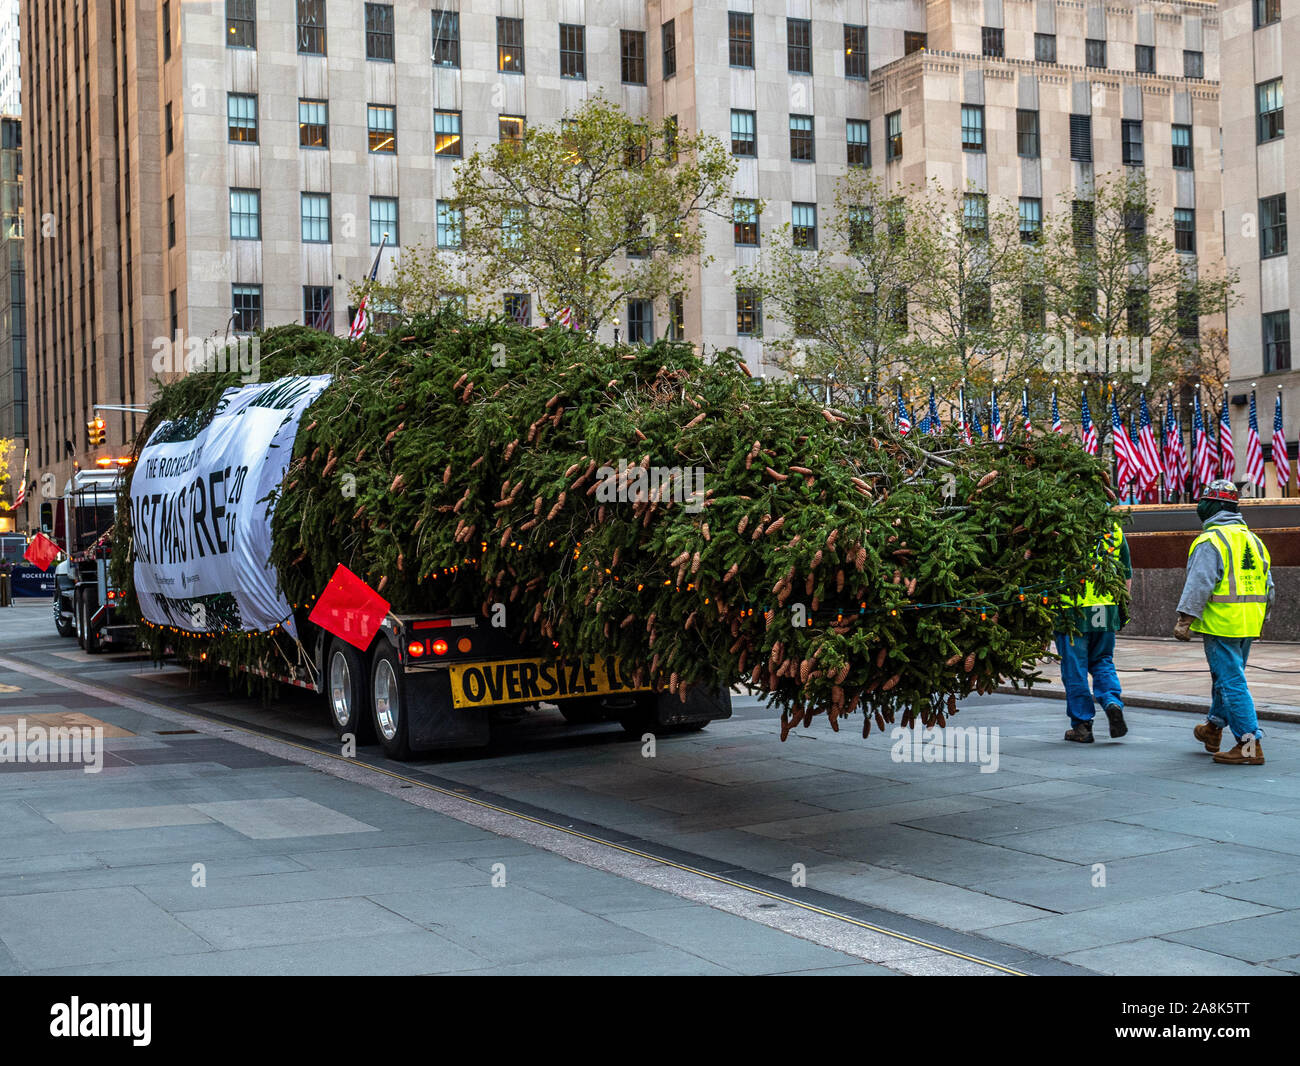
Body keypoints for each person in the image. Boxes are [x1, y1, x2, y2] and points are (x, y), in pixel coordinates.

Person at [1175, 479, 1274, 766]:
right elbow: (1269, 585)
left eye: (1204, 501)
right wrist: (1262, 619)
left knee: (1231, 681)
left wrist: (1185, 619)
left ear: (1214, 506)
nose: (1200, 505)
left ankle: (1249, 743)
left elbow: (1199, 584)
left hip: (1221, 624)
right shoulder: (1253, 540)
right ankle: (1214, 729)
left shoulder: (1210, 541)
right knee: (1227, 677)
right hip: (1247, 623)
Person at [1056, 520, 1132, 743]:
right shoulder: (1114, 529)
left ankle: (1082, 725)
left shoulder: (1057, 525)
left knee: (1075, 668)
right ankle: (1111, 701)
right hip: (1105, 607)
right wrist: (1122, 607)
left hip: (1071, 609)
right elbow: (1126, 573)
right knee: (1103, 660)